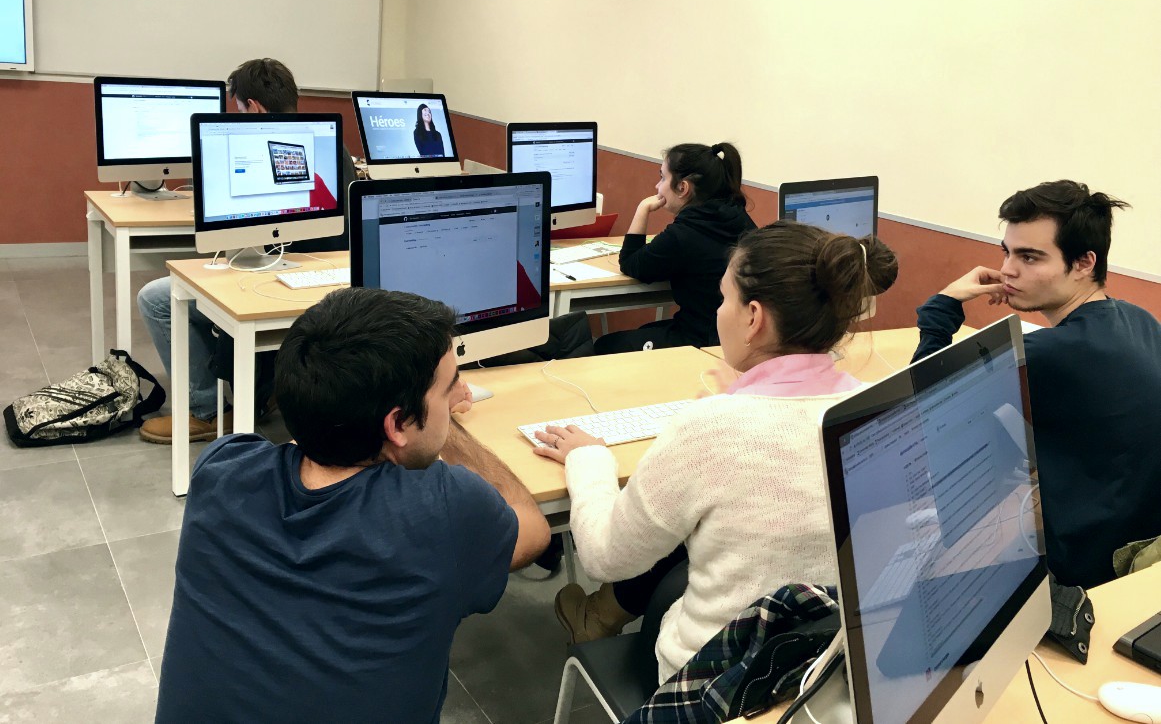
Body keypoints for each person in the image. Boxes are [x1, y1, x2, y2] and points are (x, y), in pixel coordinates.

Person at [155, 288, 551, 723]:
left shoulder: (220, 469)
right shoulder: (445, 508)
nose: (459, 391)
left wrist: (418, 411)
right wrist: (447, 430)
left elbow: (311, 445)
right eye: (449, 386)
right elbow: (532, 528)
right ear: (397, 423)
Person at [535, 222, 898, 682]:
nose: (718, 310)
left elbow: (606, 557)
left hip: (721, 681)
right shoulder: (883, 405)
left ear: (753, 317)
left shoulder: (710, 430)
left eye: (723, 298)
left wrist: (589, 459)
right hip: (832, 668)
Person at [912, 180, 1161, 589]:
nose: (1008, 269)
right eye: (1007, 252)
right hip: (1138, 555)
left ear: (1083, 263)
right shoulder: (1138, 319)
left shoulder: (1049, 353)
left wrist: (944, 306)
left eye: (1030, 257)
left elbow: (919, 408)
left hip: (1086, 575)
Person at [136, 57, 357, 443]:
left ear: (252, 106)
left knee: (157, 297)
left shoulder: (249, 142)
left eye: (236, 107)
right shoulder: (333, 149)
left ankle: (206, 412)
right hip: (327, 280)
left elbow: (246, 251)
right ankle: (261, 391)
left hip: (272, 286)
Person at [594, 142, 756, 354]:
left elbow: (631, 263)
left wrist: (642, 209)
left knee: (605, 345)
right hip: (734, 341)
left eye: (662, 178)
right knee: (647, 330)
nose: (657, 187)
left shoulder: (684, 234)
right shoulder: (740, 219)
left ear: (682, 188)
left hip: (699, 342)